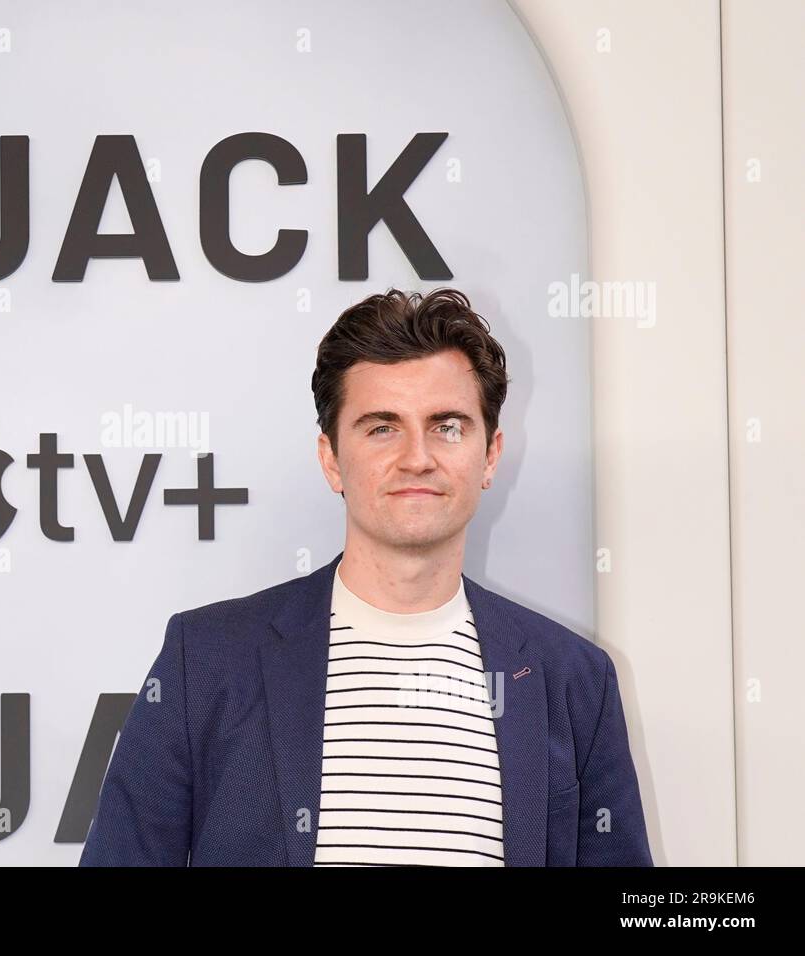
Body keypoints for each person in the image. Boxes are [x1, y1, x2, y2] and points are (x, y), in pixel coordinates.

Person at [79, 287, 653, 866]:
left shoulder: (574, 680)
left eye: (447, 426)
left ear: (491, 455)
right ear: (331, 460)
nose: (417, 457)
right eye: (381, 427)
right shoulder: (204, 660)